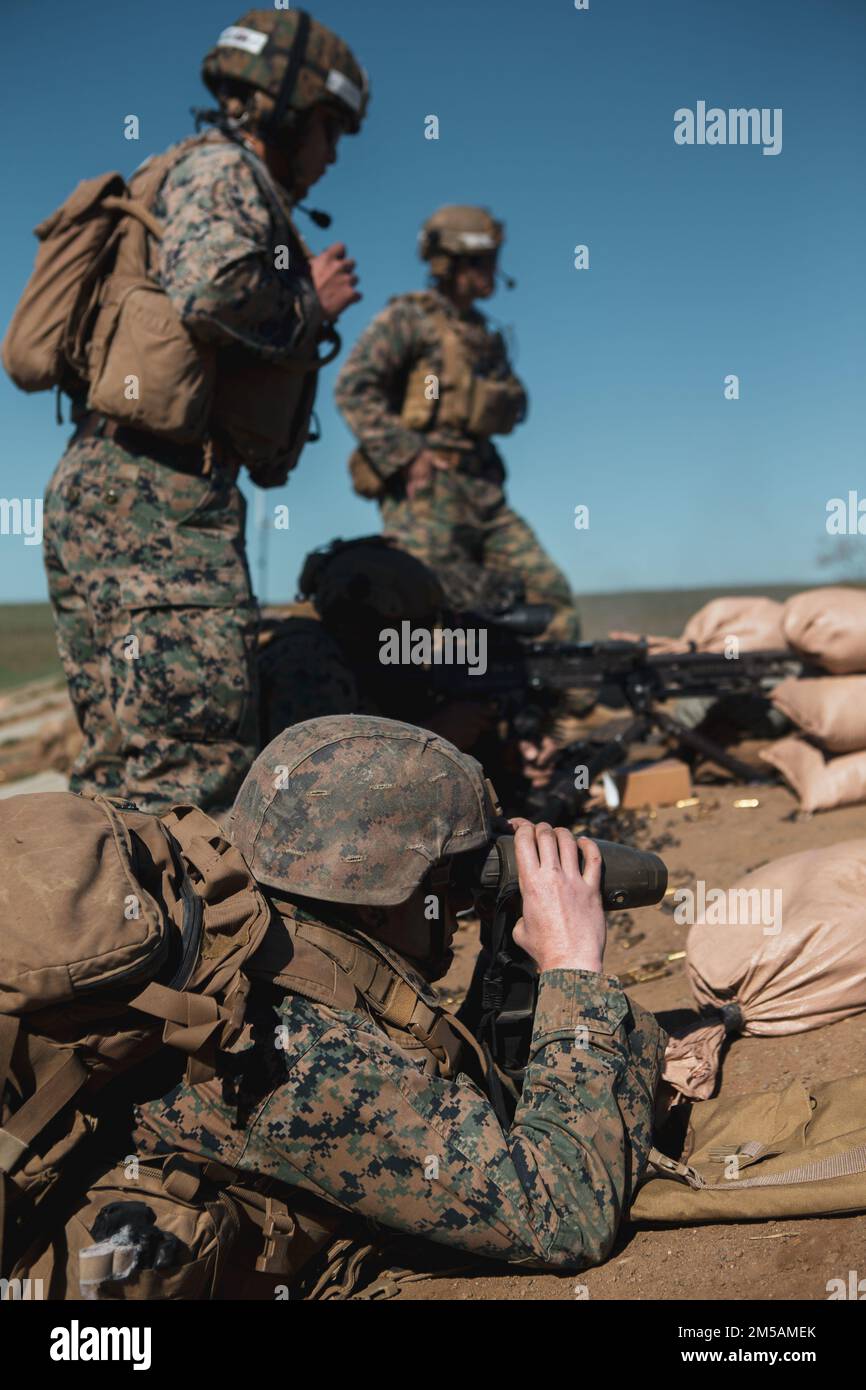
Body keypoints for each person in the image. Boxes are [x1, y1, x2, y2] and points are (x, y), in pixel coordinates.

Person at [129, 714, 666, 1290]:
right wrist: (571, 967)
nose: (460, 906)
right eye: (448, 879)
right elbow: (566, 1220)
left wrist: (506, 951)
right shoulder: (301, 1047)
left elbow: (462, 1095)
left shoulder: (282, 939)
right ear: (375, 900)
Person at [40, 8, 368, 817]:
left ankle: (100, 903)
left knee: (121, 783)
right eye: (329, 129)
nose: (332, 156)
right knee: (193, 784)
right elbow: (211, 290)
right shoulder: (226, 171)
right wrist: (312, 303)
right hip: (159, 501)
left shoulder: (181, 168)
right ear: (287, 106)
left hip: (111, 486)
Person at [334, 205, 581, 641]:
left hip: (484, 493)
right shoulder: (408, 319)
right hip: (426, 498)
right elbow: (353, 387)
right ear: (450, 263)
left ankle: (534, 685)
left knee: (551, 603)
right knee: (427, 616)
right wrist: (408, 455)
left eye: (493, 260)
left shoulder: (485, 335)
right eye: (482, 261)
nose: (493, 271)